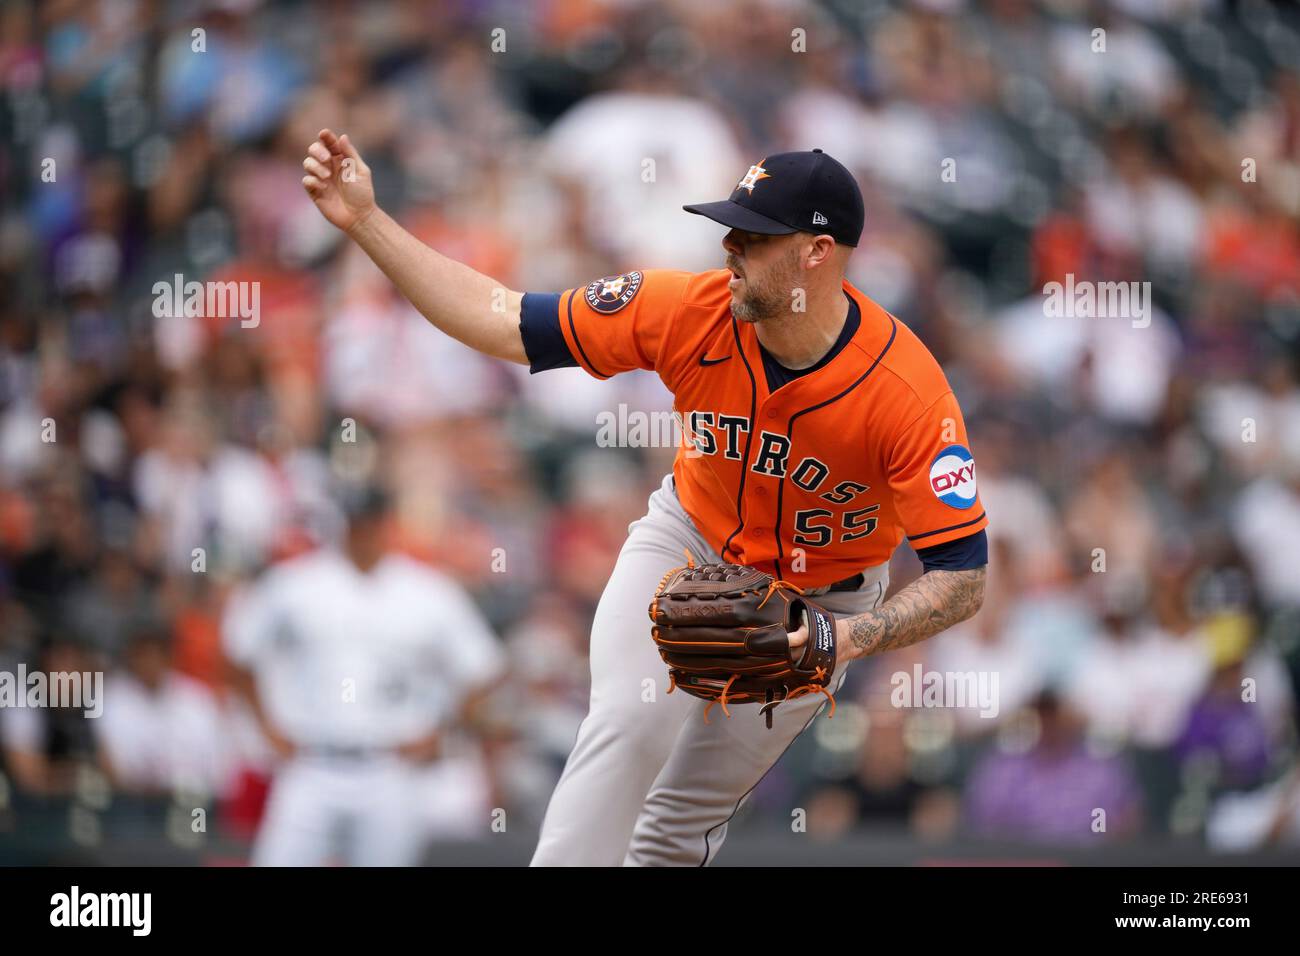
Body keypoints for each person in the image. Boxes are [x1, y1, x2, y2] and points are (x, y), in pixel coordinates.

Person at [301, 131, 988, 866]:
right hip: (686, 544)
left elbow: (964, 577)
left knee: (672, 831)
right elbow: (502, 318)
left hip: (824, 603)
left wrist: (841, 640)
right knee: (628, 724)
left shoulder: (906, 392)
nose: (730, 246)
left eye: (754, 235)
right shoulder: (686, 310)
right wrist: (368, 222)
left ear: (817, 253)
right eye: (730, 227)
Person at [222, 486, 504, 866]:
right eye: (356, 521)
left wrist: (442, 730)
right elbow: (239, 651)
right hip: (311, 760)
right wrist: (267, 728)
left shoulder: (427, 591)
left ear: (387, 524)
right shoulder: (297, 583)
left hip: (390, 767)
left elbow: (483, 669)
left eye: (371, 521)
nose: (364, 530)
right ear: (343, 524)